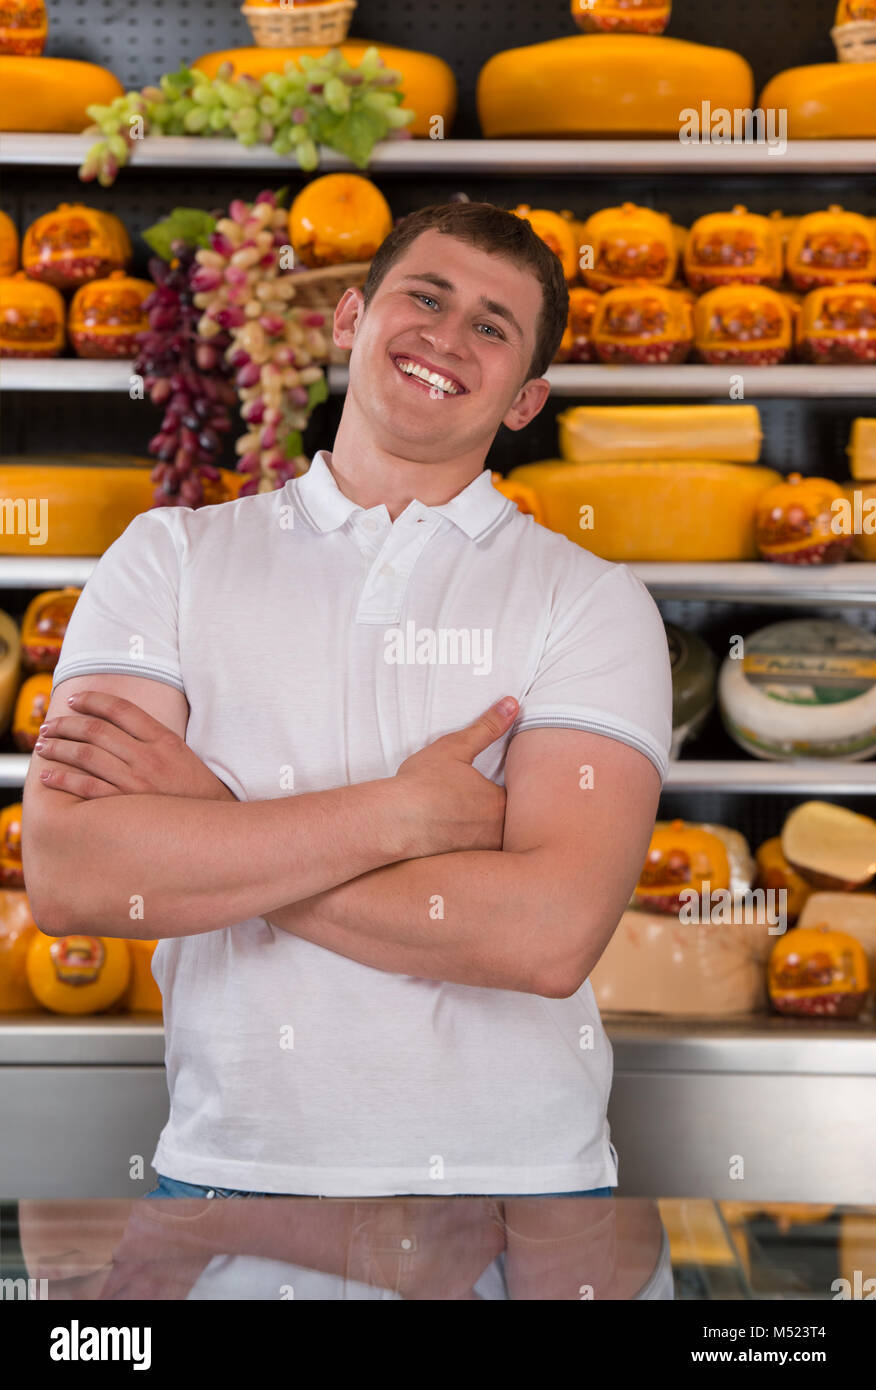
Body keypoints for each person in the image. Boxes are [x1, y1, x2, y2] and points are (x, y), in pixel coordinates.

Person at [22, 200, 672, 1203]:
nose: (447, 337)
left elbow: (547, 936)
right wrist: (397, 816)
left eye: (492, 328)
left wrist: (211, 824)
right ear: (350, 318)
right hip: (228, 1179)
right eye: (425, 296)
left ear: (524, 402)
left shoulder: (590, 601)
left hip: (523, 1196)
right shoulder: (171, 560)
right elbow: (74, 872)